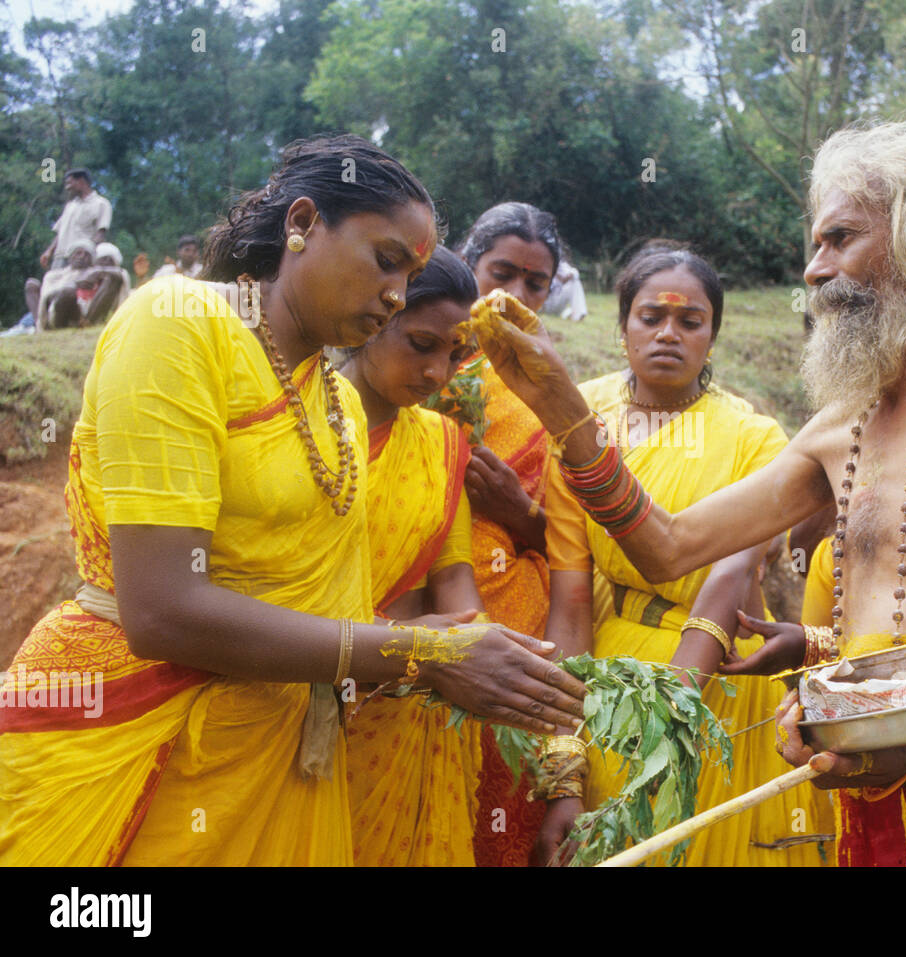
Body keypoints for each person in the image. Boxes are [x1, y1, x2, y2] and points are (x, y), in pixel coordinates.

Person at [473, 119, 906, 866]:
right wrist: (564, 409)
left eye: (840, 239)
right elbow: (668, 548)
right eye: (816, 243)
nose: (813, 269)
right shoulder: (838, 426)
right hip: (869, 813)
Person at [0, 135, 584, 866]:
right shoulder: (180, 323)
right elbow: (160, 608)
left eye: (408, 274)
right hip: (143, 748)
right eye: (386, 259)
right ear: (302, 221)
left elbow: (330, 605)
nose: (397, 294)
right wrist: (420, 652)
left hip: (286, 751)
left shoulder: (333, 395)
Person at [536, 244, 836, 866]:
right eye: (651, 317)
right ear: (622, 329)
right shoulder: (578, 420)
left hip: (710, 681)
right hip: (612, 685)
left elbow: (733, 572)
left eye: (690, 321)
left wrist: (671, 718)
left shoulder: (753, 437)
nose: (668, 333)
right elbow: (569, 599)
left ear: (712, 336)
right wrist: (564, 767)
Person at [340, 246, 489, 866]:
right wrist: (411, 645)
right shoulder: (292, 429)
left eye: (455, 355)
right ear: (374, 318)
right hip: (298, 685)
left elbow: (451, 573)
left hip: (411, 711)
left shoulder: (441, 443)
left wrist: (482, 647)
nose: (438, 374)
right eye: (421, 344)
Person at [442, 201, 569, 865]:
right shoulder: (416, 362)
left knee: (499, 807)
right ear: (467, 265)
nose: (515, 295)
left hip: (514, 631)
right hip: (417, 621)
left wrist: (517, 510)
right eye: (501, 273)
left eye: (535, 282)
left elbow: (582, 549)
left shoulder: (549, 391)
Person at [39, 168, 112, 271]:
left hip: (81, 260)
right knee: (54, 285)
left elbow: (100, 234)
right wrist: (49, 251)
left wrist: (85, 253)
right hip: (60, 258)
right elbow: (60, 233)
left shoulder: (101, 204)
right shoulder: (70, 206)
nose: (67, 188)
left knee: (77, 286)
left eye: (70, 183)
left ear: (81, 181)